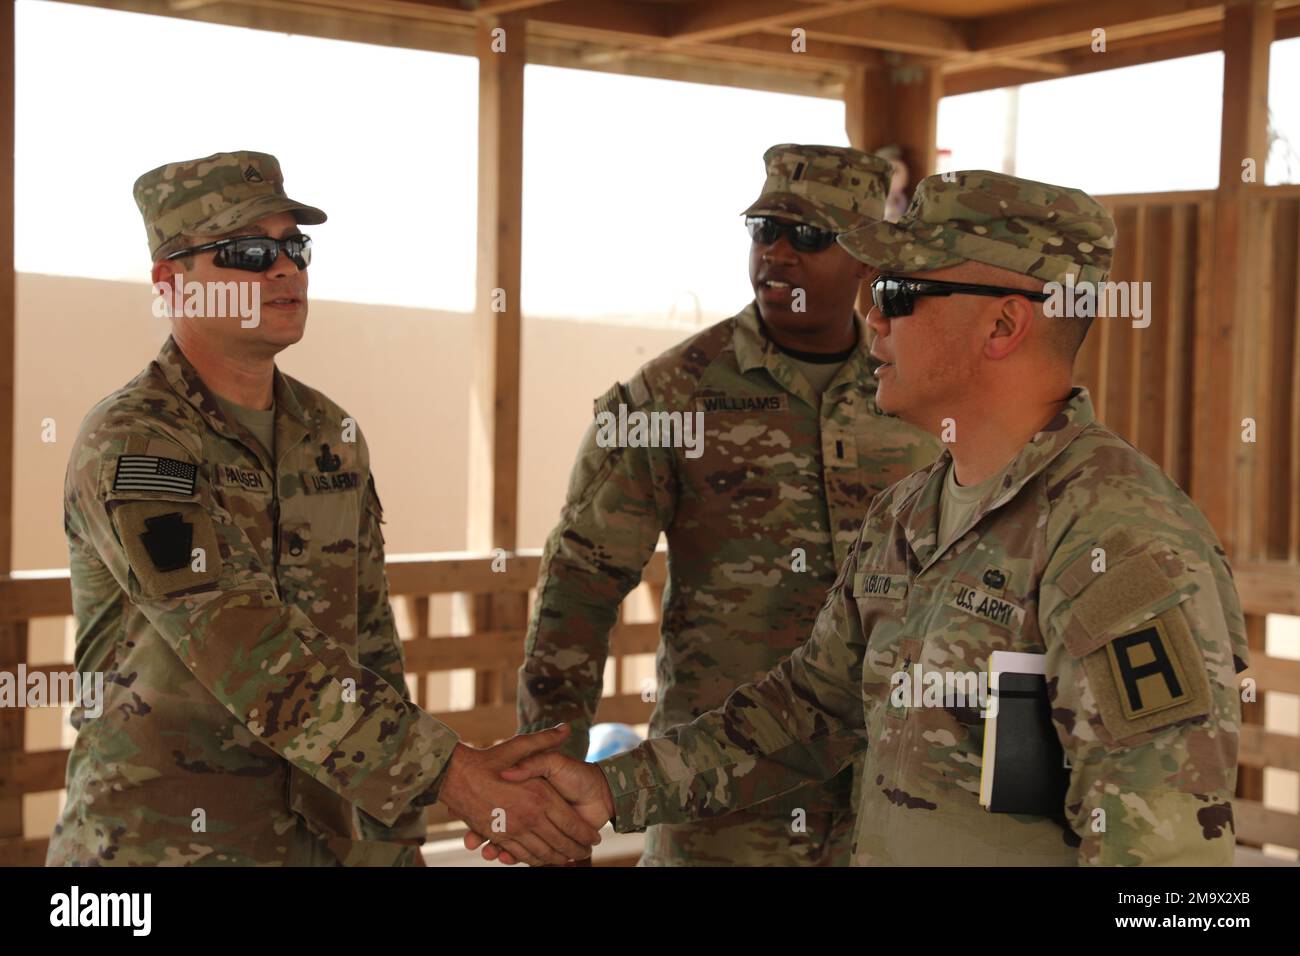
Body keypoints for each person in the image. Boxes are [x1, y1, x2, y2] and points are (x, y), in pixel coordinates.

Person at [473, 170, 1248, 866]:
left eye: (900, 295)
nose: (872, 319)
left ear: (1005, 326)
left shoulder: (1117, 539)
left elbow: (1168, 861)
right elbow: (813, 708)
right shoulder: (909, 514)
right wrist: (611, 790)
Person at [48, 150, 600, 867]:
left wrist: (395, 847)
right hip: (156, 851)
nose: (283, 269)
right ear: (171, 282)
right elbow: (239, 641)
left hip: (320, 844)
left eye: (294, 246)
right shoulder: (135, 442)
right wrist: (449, 772)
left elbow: (369, 647)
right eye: (246, 251)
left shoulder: (328, 433)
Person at [503, 144, 939, 866]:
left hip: (889, 797)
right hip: (720, 800)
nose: (778, 253)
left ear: (868, 256)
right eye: (763, 229)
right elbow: (580, 588)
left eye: (808, 236)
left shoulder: (918, 394)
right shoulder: (671, 397)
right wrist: (550, 784)